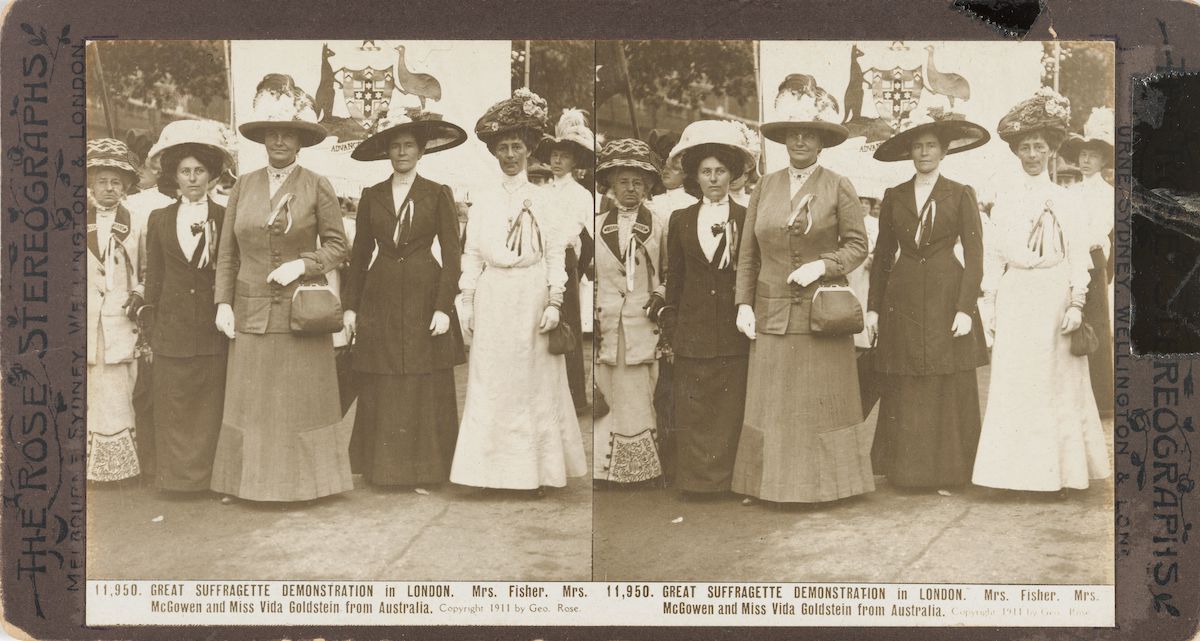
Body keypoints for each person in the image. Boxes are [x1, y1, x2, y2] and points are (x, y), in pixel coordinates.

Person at [210, 74, 352, 502]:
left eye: (287, 134)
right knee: (252, 403)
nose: (279, 141)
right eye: (272, 133)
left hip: (300, 311)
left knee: (300, 402)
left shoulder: (316, 184)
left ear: (300, 140)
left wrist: (301, 264)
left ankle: (311, 486)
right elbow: (227, 253)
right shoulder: (244, 185)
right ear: (263, 139)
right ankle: (247, 485)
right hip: (251, 309)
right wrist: (222, 303)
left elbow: (338, 247)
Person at [731, 91, 872, 504]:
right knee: (772, 403)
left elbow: (857, 245)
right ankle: (767, 486)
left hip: (822, 313)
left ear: (821, 141)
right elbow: (747, 253)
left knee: (821, 402)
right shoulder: (765, 186)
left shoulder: (838, 185)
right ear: (784, 140)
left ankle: (832, 487)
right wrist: (743, 303)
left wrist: (824, 265)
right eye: (793, 134)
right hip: (771, 310)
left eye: (809, 135)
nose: (800, 142)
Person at [972, 89, 1109, 492]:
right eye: (1025, 147)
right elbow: (995, 256)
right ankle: (1010, 476)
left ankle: (1059, 474)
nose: (1032, 154)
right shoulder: (1006, 200)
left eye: (1039, 147)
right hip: (1017, 296)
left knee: (1057, 384)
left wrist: (1077, 302)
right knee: (1016, 383)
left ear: (1051, 152)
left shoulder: (1067, 200)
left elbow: (1077, 256)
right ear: (1017, 152)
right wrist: (990, 303)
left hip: (1054, 298)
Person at [450, 88, 587, 494]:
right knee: (490, 382)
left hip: (530, 297)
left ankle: (535, 474)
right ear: (494, 153)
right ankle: (485, 475)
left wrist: (554, 302)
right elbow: (472, 254)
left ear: (529, 151)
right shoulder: (485, 200)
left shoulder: (545, 200)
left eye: (517, 147)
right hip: (494, 297)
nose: (510, 155)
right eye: (503, 148)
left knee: (533, 384)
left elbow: (554, 258)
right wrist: (468, 301)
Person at [864, 110, 991, 490]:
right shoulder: (894, 196)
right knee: (906, 380)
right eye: (918, 147)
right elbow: (884, 254)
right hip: (901, 297)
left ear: (944, 151)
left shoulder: (961, 193)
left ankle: (950, 471)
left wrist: (965, 308)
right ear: (910, 153)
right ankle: (908, 471)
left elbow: (975, 254)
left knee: (945, 380)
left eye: (931, 146)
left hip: (946, 293)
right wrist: (873, 307)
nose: (924, 153)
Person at [342, 110, 468, 487]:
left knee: (423, 380)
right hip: (379, 296)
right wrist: (350, 305)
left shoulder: (436, 193)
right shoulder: (372, 195)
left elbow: (452, 253)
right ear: (387, 152)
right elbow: (360, 253)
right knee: (384, 378)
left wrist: (444, 306)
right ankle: (385, 469)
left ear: (421, 150)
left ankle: (427, 470)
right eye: (395, 146)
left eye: (409, 146)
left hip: (424, 292)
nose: (402, 152)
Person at [138, 121, 235, 491]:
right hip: (172, 329)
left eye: (199, 171)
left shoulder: (225, 216)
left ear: (211, 175)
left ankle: (209, 480)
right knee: (174, 404)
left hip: (212, 327)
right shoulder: (160, 219)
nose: (192, 178)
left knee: (209, 405)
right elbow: (154, 277)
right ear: (174, 176)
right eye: (185, 171)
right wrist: (151, 326)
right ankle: (175, 481)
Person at [662, 121, 755, 497]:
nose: (714, 178)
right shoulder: (680, 219)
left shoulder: (746, 217)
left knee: (729, 407)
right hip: (693, 326)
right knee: (694, 407)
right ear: (695, 177)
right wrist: (671, 323)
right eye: (706, 172)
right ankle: (695, 482)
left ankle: (728, 482)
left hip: (733, 327)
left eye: (720, 171)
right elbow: (676, 279)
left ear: (732, 174)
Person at [592, 139, 671, 485]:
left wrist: (659, 294)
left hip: (642, 322)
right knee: (607, 391)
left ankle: (644, 470)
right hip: (607, 322)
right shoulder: (595, 225)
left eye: (638, 182)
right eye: (623, 181)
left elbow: (669, 272)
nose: (630, 189)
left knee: (641, 393)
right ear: (610, 184)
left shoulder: (659, 225)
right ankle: (603, 470)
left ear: (648, 186)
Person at [86, 138, 147, 482]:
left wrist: (138, 293)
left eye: (115, 182)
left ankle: (123, 468)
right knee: (93, 390)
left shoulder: (137, 223)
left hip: (122, 320)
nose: (109, 188)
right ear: (91, 184)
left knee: (122, 389)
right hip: (88, 321)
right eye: (102, 181)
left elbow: (148, 270)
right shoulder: (76, 222)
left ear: (125, 187)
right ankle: (92, 467)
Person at [536, 108, 597, 413]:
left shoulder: (581, 195)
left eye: (564, 156)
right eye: (554, 156)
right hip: (542, 261)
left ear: (575, 161)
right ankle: (546, 396)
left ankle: (575, 398)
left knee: (568, 328)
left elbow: (589, 236)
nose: (557, 161)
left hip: (568, 261)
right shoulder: (541, 192)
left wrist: (576, 267)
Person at [1059, 107, 1115, 418]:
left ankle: (1101, 399)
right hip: (1070, 258)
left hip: (1093, 259)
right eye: (1082, 154)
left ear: (1104, 161)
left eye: (1092, 155)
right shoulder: (1070, 192)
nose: (1085, 160)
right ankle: (1074, 396)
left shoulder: (1107, 194)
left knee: (1094, 325)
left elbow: (1097, 230)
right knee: (1070, 321)